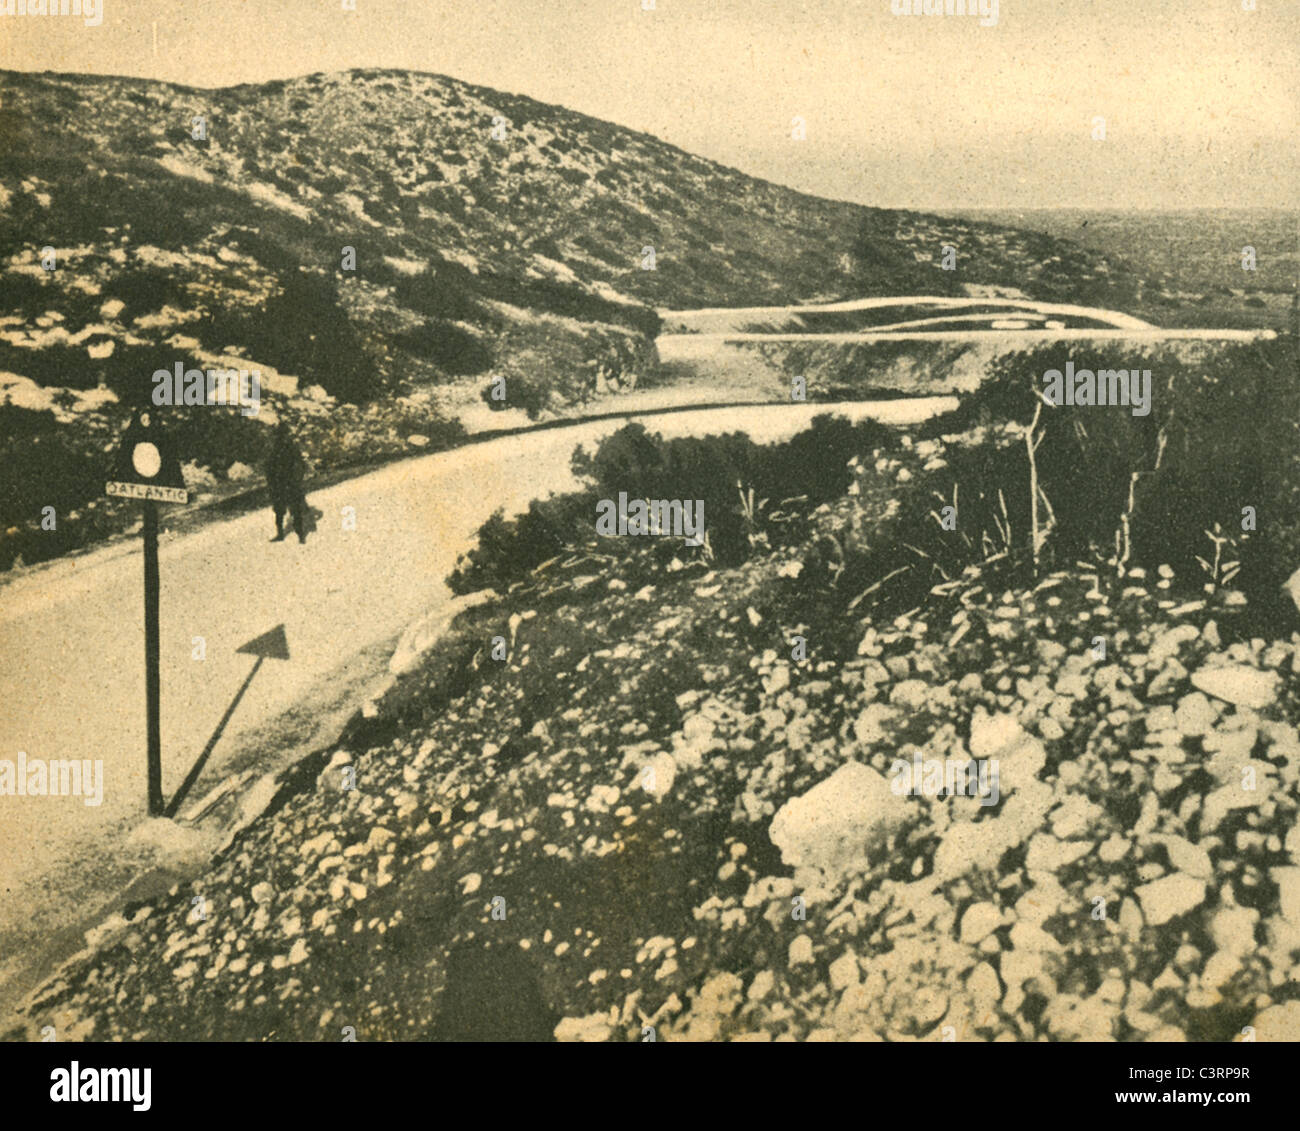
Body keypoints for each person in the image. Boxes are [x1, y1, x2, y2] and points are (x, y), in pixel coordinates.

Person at [265, 421, 308, 543]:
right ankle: (290, 535)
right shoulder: (276, 448)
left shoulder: (289, 448)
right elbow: (269, 467)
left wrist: (297, 479)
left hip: (288, 483)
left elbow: (299, 465)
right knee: (283, 510)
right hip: (282, 483)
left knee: (291, 509)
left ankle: (299, 535)